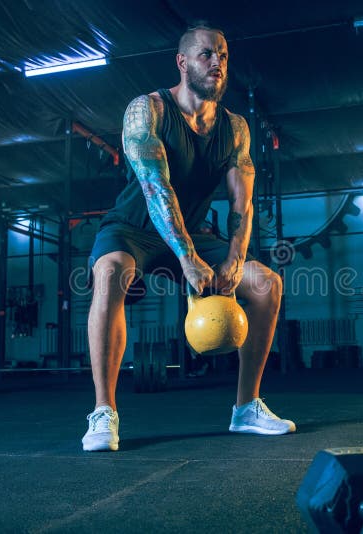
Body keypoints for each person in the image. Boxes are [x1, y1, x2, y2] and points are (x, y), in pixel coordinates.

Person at [82, 23, 295, 452]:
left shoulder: (235, 128)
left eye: (223, 55)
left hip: (194, 230)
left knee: (267, 284)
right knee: (109, 272)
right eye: (206, 54)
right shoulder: (148, 111)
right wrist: (187, 258)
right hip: (134, 227)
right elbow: (157, 189)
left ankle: (246, 407)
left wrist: (235, 257)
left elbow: (242, 203)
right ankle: (104, 412)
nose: (217, 62)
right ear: (182, 62)